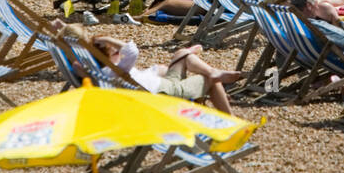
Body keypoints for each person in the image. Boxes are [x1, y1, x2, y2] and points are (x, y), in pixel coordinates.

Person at [80, 31, 242, 113]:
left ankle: (212, 71)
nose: (117, 50)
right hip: (166, 93)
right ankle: (232, 124)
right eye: (113, 50)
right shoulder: (115, 70)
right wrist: (108, 40)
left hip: (163, 86)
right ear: (107, 57)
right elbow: (132, 51)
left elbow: (75, 63)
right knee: (210, 80)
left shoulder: (104, 73)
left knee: (181, 54)